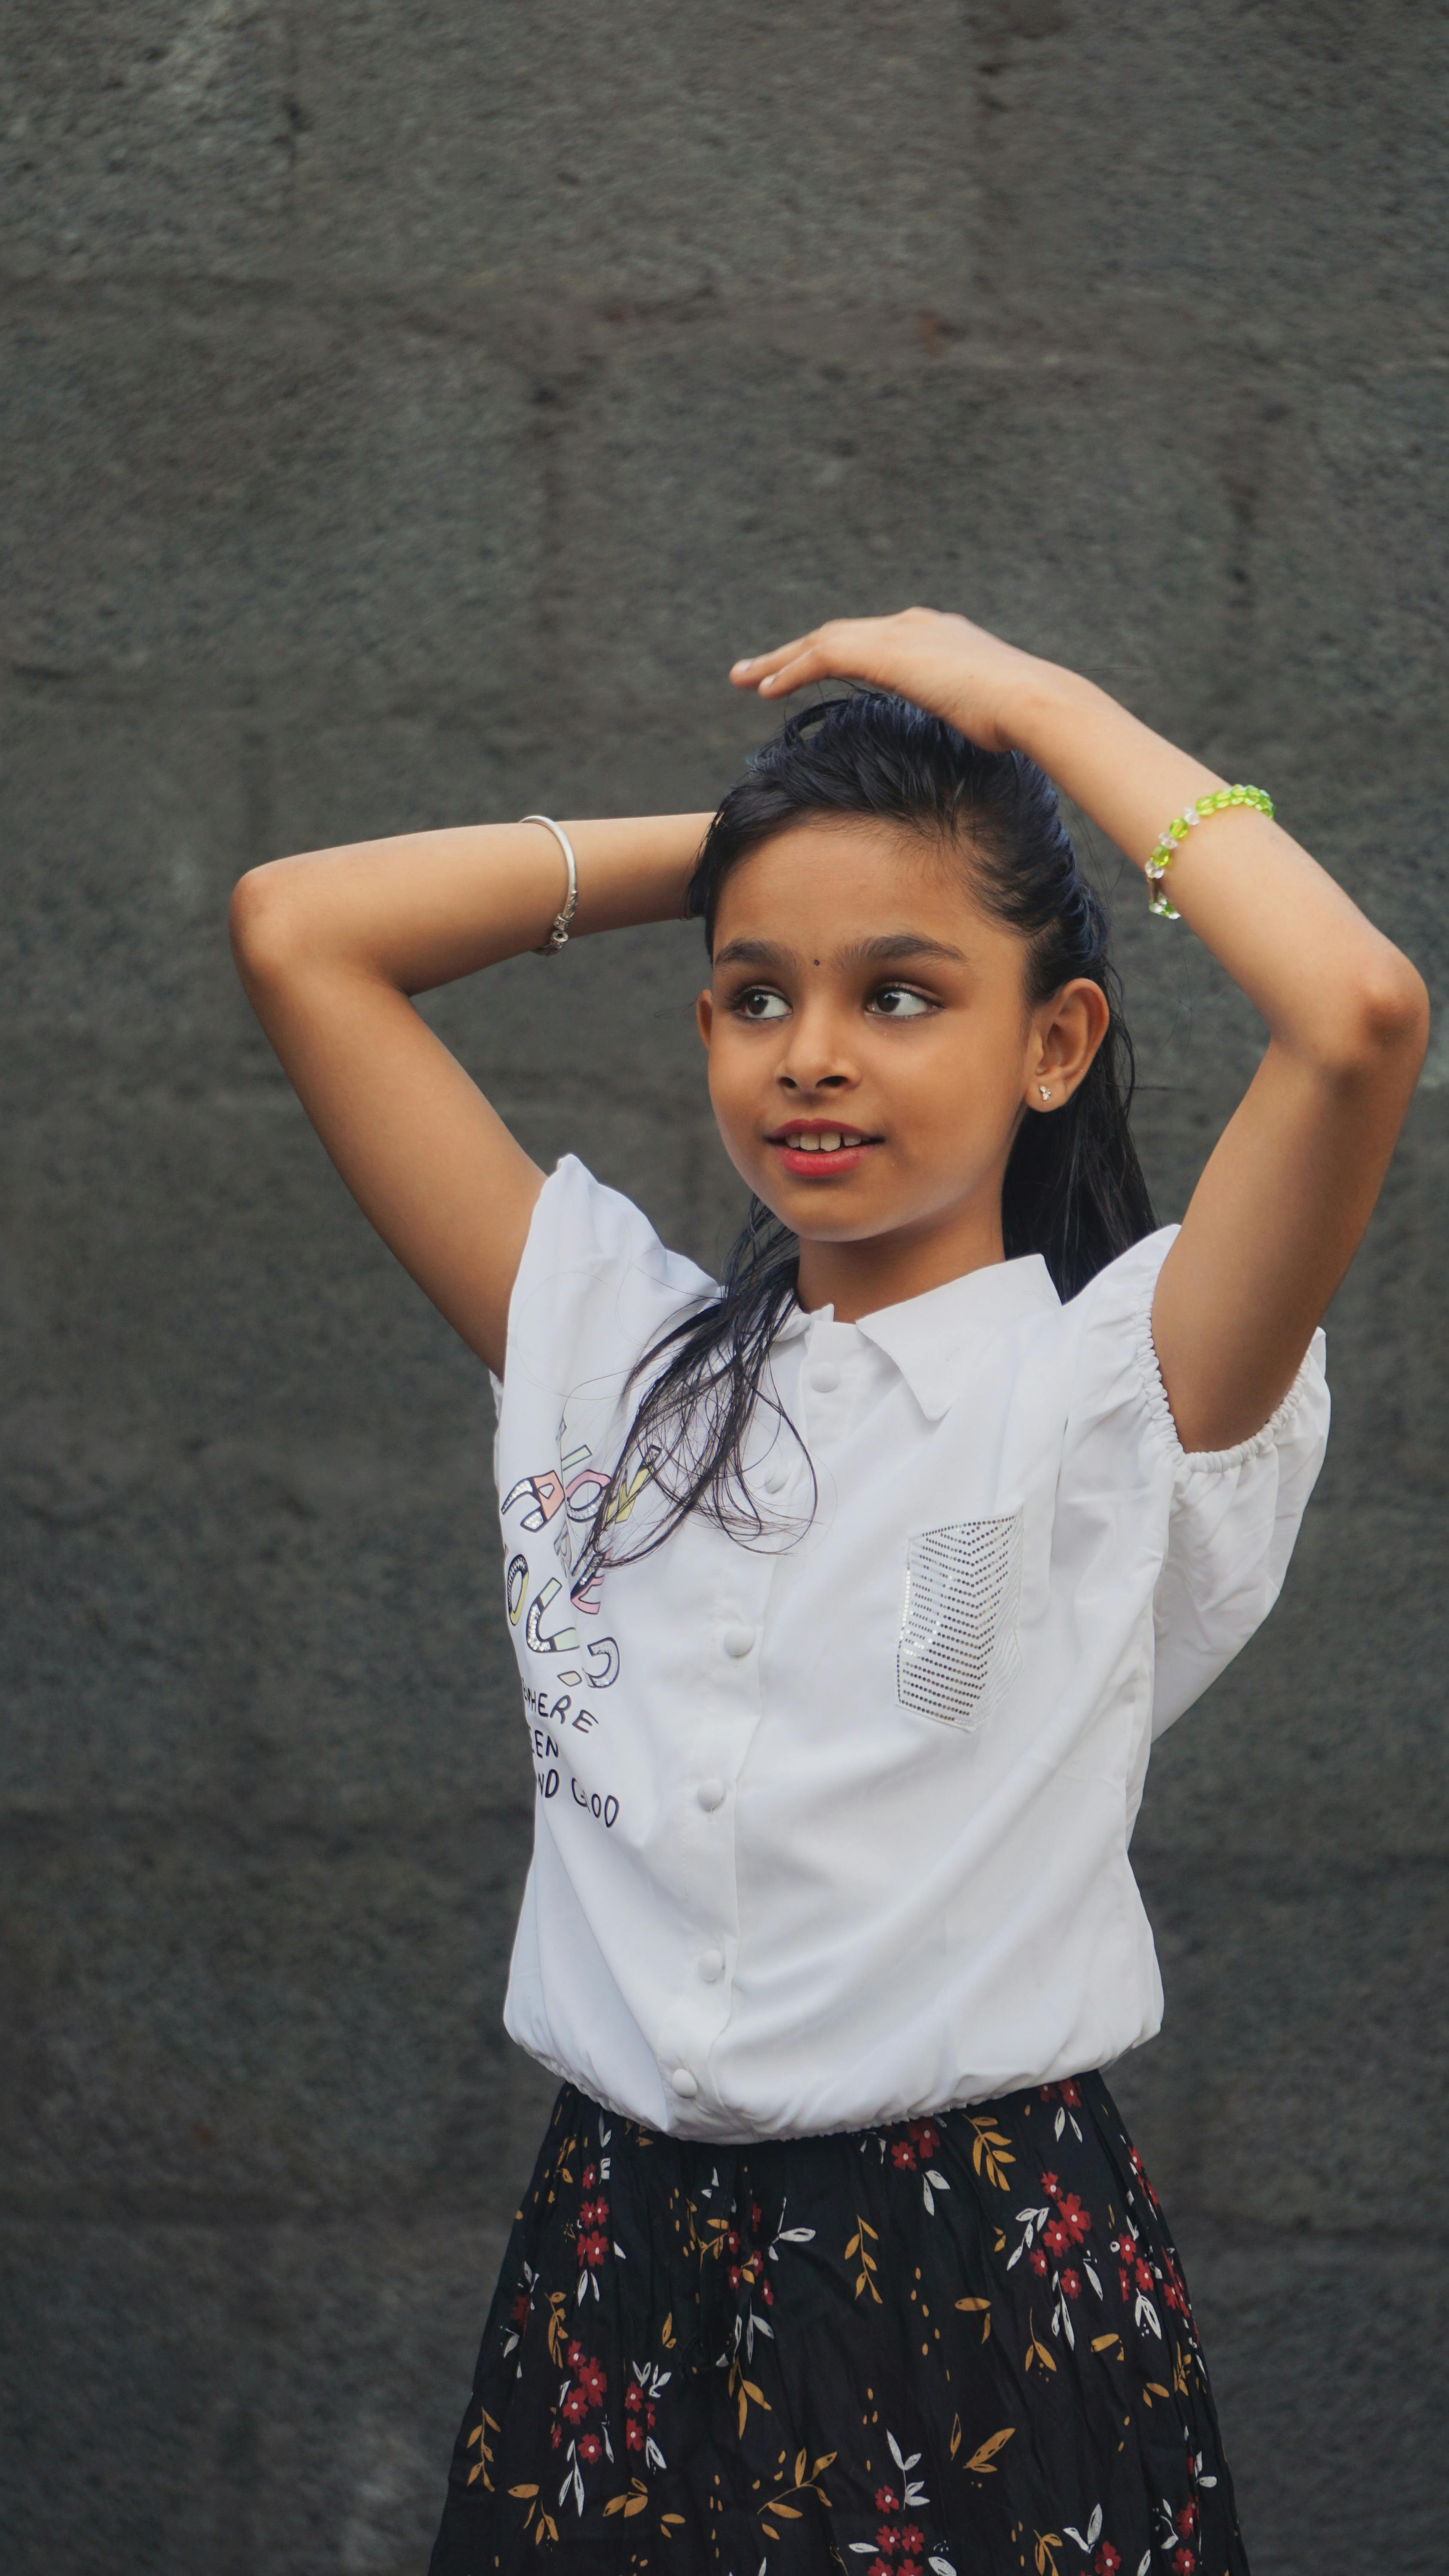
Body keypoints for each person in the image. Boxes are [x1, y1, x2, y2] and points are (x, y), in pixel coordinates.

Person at [229, 608, 1428, 2576]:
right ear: (702, 1022)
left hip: (975, 2277)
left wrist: (1017, 710)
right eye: (758, 993)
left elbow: (1360, 1007)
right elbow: (299, 924)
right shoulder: (609, 1355)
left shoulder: (1118, 1387)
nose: (817, 1055)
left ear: (1057, 1041)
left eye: (902, 992)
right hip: (610, 2269)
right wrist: (740, 847)